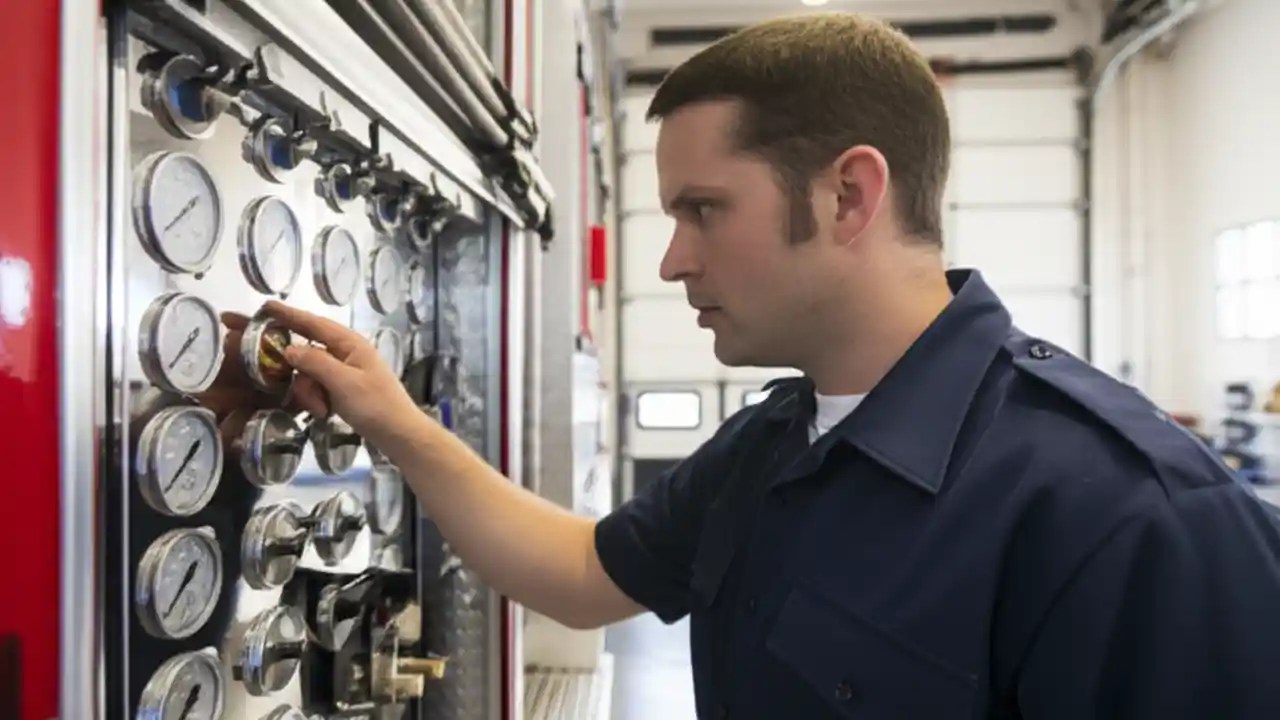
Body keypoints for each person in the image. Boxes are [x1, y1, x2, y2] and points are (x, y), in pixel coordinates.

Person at [209, 12, 1280, 719]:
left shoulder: (1132, 519)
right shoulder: (773, 444)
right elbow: (581, 577)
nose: (672, 259)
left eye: (703, 211)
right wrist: (392, 420)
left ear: (846, 196)